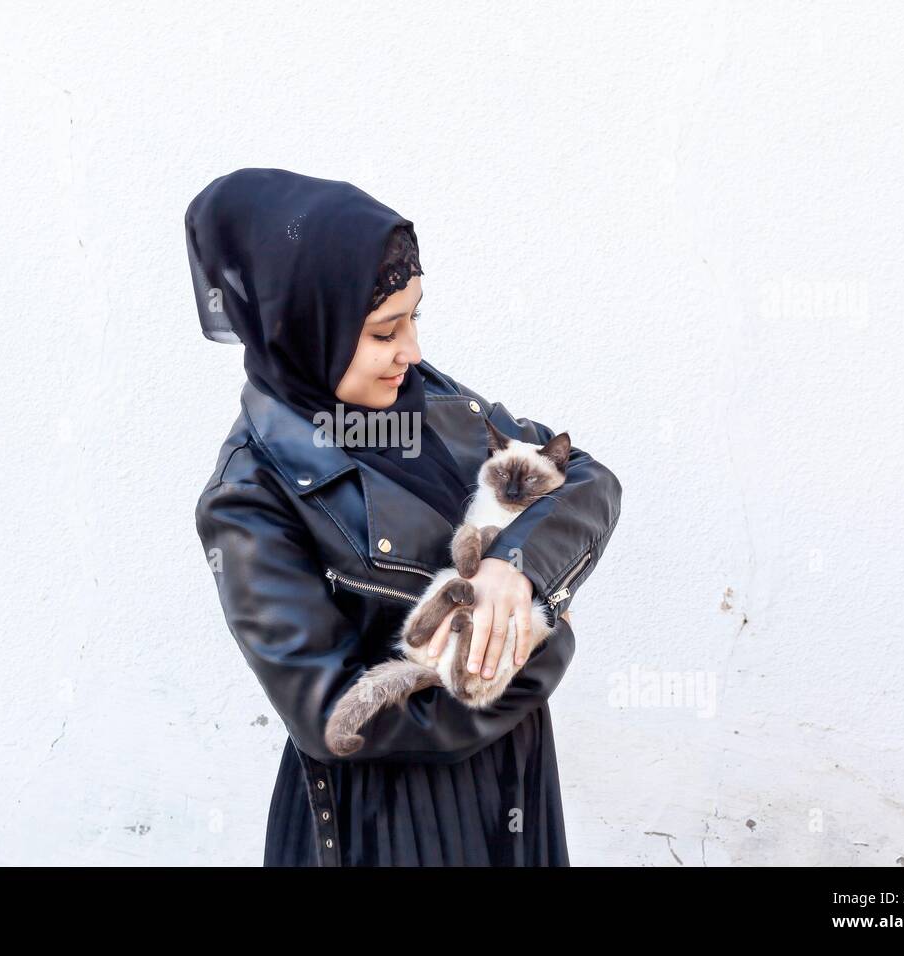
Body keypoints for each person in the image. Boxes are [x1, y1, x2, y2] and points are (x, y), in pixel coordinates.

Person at [189, 167, 622, 866]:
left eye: (415, 316)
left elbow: (586, 479)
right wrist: (543, 650)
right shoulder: (252, 495)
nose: (412, 350)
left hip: (512, 778)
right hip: (392, 824)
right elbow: (336, 718)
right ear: (306, 326)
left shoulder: (431, 403)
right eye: (385, 329)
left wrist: (521, 571)